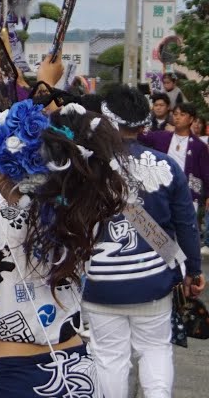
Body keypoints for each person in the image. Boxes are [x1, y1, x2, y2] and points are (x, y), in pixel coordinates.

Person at [0, 57, 129, 397]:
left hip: (10, 380)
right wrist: (39, 96)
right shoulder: (77, 212)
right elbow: (8, 141)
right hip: (76, 371)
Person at [85, 85, 203, 398]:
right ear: (143, 122)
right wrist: (193, 270)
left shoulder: (85, 167)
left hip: (100, 281)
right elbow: (186, 225)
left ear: (106, 119)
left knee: (109, 357)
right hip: (154, 280)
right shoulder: (166, 165)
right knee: (155, 349)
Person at [140, 101, 209, 204]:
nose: (177, 117)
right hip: (163, 190)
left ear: (191, 119)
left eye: (182, 114)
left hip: (187, 193)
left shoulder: (199, 146)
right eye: (175, 114)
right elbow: (139, 136)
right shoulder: (162, 136)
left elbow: (206, 172)